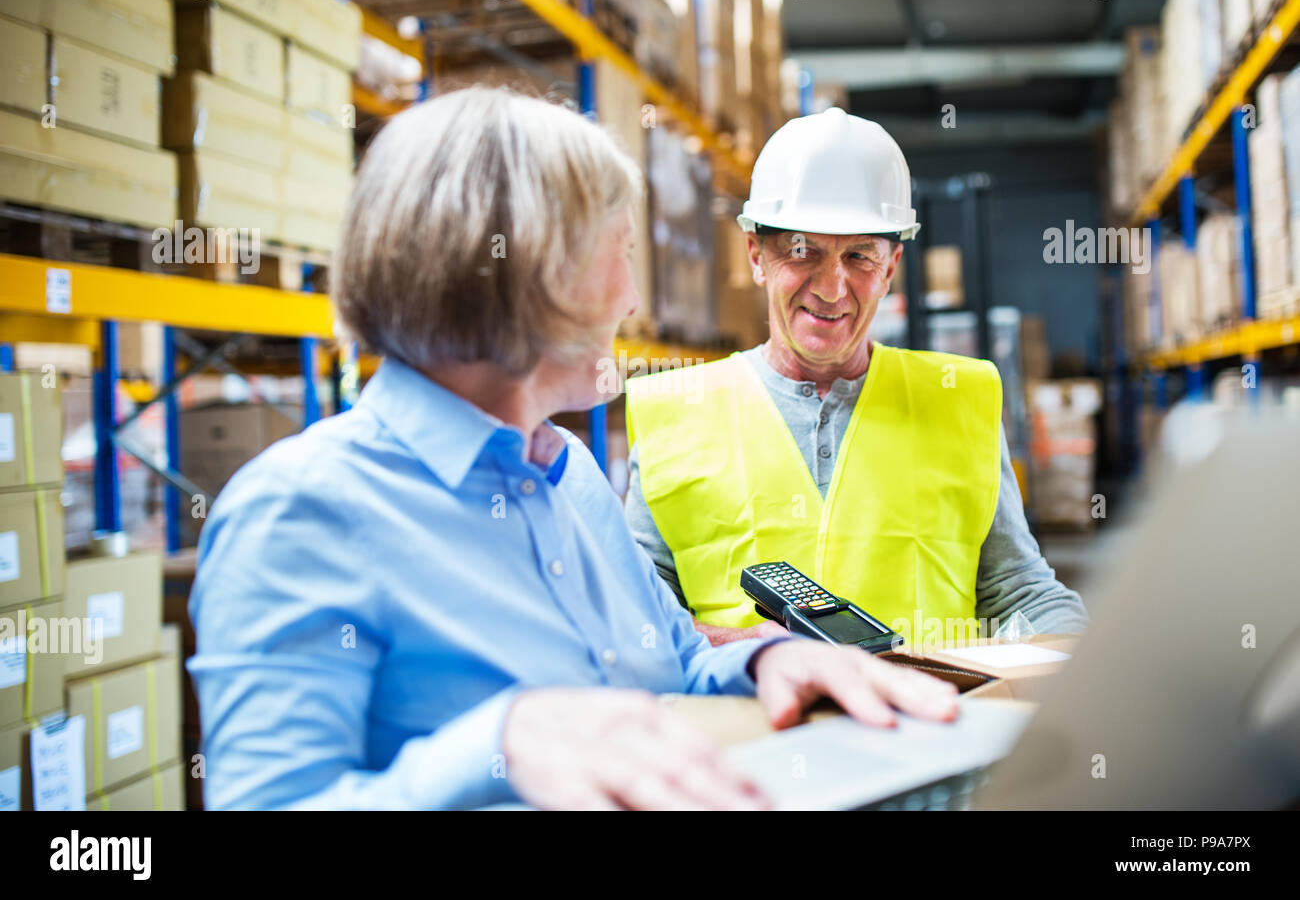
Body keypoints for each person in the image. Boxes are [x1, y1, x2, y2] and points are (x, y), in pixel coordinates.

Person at [187, 88, 961, 811]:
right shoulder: (300, 511)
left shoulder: (570, 476)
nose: (631, 297)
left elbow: (676, 664)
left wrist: (766, 661)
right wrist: (501, 740)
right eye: (619, 251)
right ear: (525, 270)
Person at [624, 107, 1088, 648]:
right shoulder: (676, 411)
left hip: (925, 725)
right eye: (803, 251)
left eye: (860, 255)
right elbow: (635, 615)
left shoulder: (960, 401)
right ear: (757, 256)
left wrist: (1075, 665)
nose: (832, 287)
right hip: (751, 727)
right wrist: (753, 651)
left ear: (890, 268)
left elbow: (1022, 593)